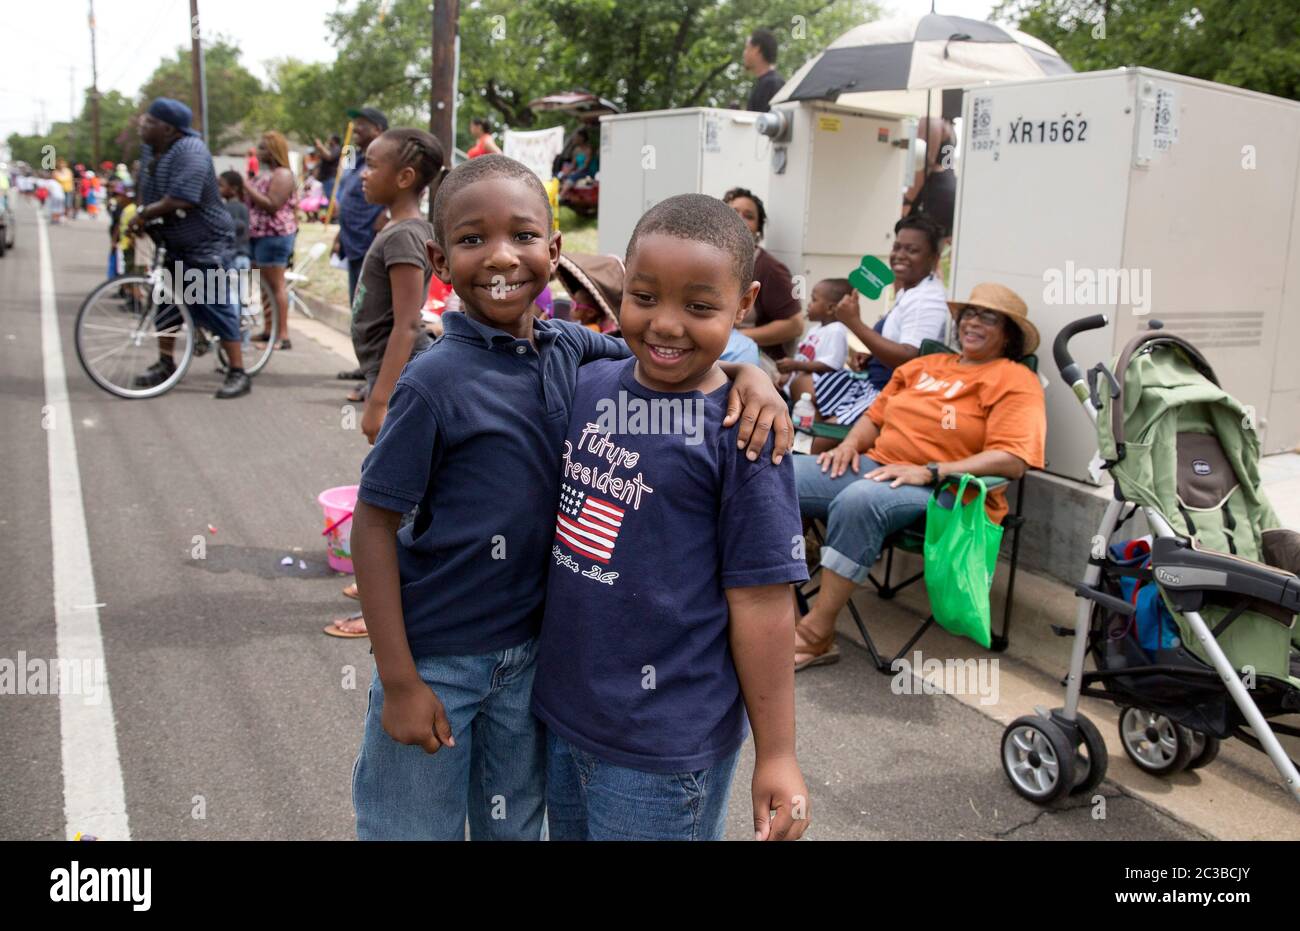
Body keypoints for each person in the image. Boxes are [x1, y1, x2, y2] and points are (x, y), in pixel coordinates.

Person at [348, 154, 793, 840]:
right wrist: (399, 678)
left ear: (554, 253)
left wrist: (749, 373)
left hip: (534, 667)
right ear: (438, 257)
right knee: (412, 825)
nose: (501, 256)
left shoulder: (571, 352)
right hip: (443, 658)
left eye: (523, 236)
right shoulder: (435, 383)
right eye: (472, 240)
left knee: (514, 827)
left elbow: (669, 359)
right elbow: (371, 526)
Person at [533, 194, 811, 841]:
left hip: (662, 749)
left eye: (700, 306)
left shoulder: (746, 434)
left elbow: (766, 602)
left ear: (745, 306)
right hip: (562, 716)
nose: (665, 324)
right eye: (645, 296)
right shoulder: (589, 378)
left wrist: (777, 752)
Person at [792, 283, 1045, 670]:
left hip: (947, 491)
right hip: (876, 465)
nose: (973, 322)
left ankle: (816, 635)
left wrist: (931, 471)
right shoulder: (921, 366)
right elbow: (874, 418)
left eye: (988, 317)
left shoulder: (1013, 380)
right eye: (968, 315)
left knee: (860, 500)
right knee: (775, 475)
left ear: (1009, 334)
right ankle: (762, 602)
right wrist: (849, 446)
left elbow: (1012, 459)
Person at [324, 128, 447, 639]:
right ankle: (386, 585)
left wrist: (378, 401)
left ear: (405, 177)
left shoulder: (403, 235)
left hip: (394, 378)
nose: (362, 173)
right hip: (387, 373)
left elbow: (407, 323)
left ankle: (386, 609)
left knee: (393, 493)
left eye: (372, 165)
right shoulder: (397, 227)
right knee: (395, 491)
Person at [127, 97, 249, 398]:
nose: (142, 125)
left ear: (168, 129)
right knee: (167, 304)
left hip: (204, 239)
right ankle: (166, 363)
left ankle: (238, 371)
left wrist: (143, 215)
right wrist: (143, 216)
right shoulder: (152, 150)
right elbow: (148, 191)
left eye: (150, 122)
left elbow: (182, 198)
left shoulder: (191, 151)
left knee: (212, 303)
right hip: (172, 240)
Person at [808, 214, 950, 448]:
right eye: (897, 247)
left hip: (888, 394)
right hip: (871, 383)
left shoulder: (926, 300)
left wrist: (855, 324)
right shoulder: (912, 290)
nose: (900, 255)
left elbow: (909, 358)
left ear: (933, 258)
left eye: (912, 250)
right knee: (805, 386)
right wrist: (873, 357)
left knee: (819, 442)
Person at [722, 187, 803, 361]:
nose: (740, 219)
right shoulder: (707, 259)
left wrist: (737, 336)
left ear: (758, 229)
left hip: (752, 359)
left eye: (749, 216)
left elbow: (795, 326)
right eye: (733, 212)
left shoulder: (769, 268)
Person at [243, 131, 298, 351]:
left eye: (264, 148)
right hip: (260, 235)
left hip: (275, 236)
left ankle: (282, 335)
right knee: (265, 286)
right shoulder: (268, 174)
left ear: (274, 150)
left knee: (276, 286)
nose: (260, 152)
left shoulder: (283, 174)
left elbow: (273, 204)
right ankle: (269, 329)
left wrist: (246, 187)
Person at [332, 106, 389, 304]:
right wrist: (340, 234)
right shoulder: (354, 157)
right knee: (356, 304)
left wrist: (387, 213)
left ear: (378, 130)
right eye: (356, 123)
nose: (356, 128)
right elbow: (345, 190)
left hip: (370, 241)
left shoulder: (386, 158)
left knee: (368, 305)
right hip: (352, 241)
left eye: (362, 124)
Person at [777, 277, 852, 398]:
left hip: (812, 395)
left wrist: (795, 365)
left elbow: (831, 365)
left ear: (830, 308)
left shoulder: (836, 330)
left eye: (814, 300)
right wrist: (789, 373)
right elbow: (802, 358)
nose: (809, 304)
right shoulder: (815, 330)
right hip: (792, 391)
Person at [903, 117, 957, 239]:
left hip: (933, 190)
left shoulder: (931, 121)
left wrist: (907, 201)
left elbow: (923, 164)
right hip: (948, 186)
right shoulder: (947, 126)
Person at [218, 171, 252, 316]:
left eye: (220, 185)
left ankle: (232, 331)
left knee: (231, 297)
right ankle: (243, 336)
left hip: (232, 257)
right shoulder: (244, 207)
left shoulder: (225, 209)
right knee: (243, 297)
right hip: (244, 256)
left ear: (233, 189)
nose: (217, 189)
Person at [744, 28, 786, 113]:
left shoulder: (772, 84)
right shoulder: (766, 83)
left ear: (757, 49)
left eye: (747, 48)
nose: (744, 53)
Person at [313, 132, 343, 203]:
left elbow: (329, 157)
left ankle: (334, 213)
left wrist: (320, 146)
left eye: (330, 138)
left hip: (330, 178)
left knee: (332, 200)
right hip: (325, 178)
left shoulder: (337, 148)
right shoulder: (330, 148)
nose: (328, 140)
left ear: (334, 140)